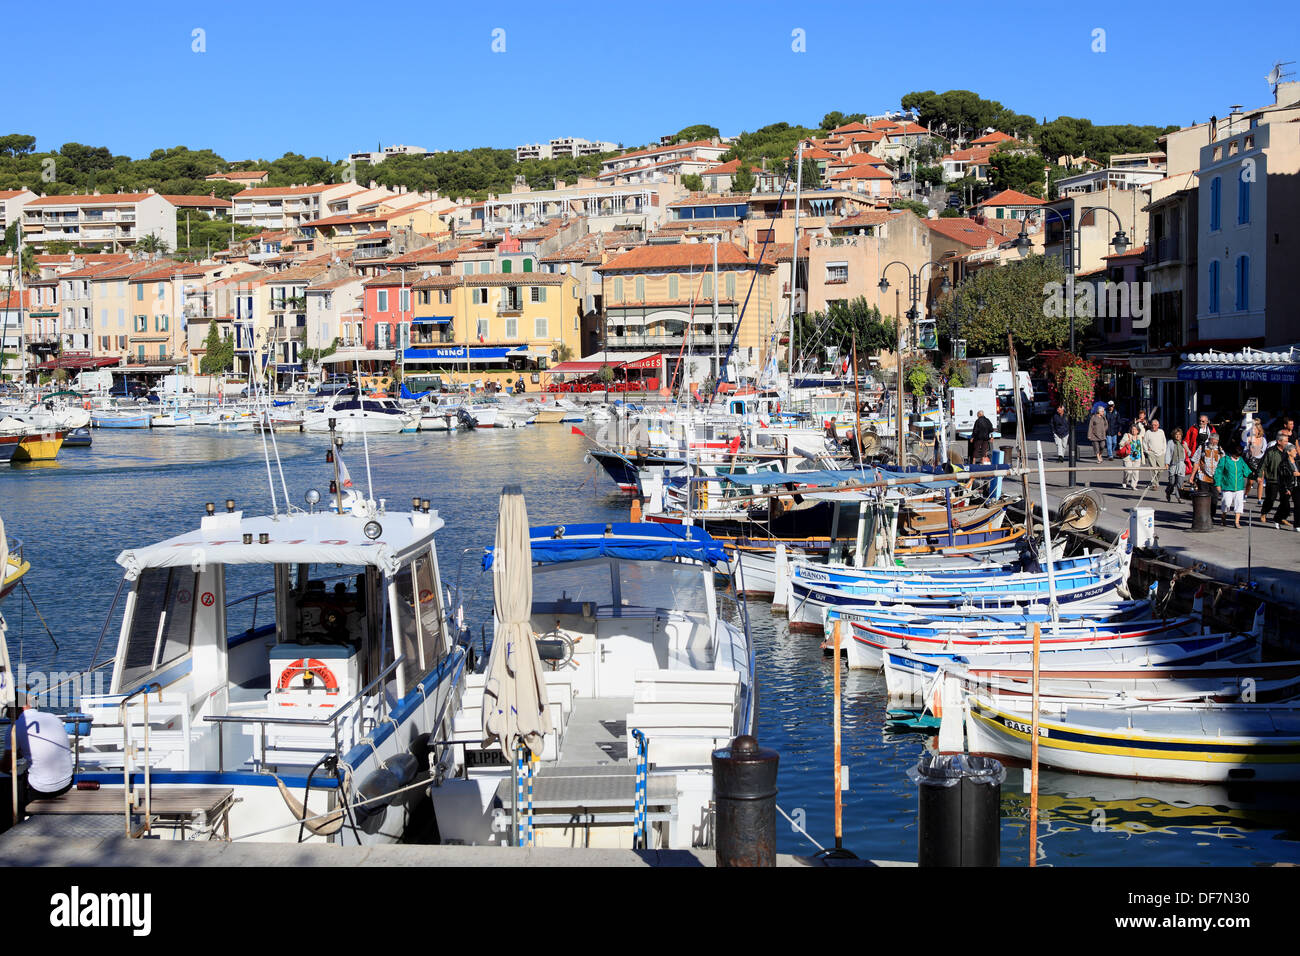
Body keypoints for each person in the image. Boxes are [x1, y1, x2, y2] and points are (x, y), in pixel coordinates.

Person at [8, 698, 75, 806]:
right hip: (67, 782)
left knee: (18, 779)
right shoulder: (52, 717)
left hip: (41, 790)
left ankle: (20, 813)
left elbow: (6, 764)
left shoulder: (15, 728)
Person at [1214, 443, 1250, 528]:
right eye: (1236, 455)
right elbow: (1218, 472)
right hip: (1227, 486)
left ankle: (1237, 522)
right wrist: (1218, 484)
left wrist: (1253, 475)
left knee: (1239, 504)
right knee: (1226, 503)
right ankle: (1223, 515)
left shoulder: (1241, 460)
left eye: (1238, 456)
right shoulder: (1225, 460)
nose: (1237, 457)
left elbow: (1247, 471)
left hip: (1239, 487)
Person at [1259, 433, 1290, 523]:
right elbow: (1263, 464)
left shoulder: (1288, 451)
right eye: (1285, 441)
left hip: (1285, 481)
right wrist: (1260, 475)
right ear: (1279, 442)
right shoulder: (1270, 451)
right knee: (1271, 499)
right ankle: (1264, 513)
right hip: (1273, 479)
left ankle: (1281, 517)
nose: (1287, 443)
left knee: (1285, 500)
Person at [1192, 433, 1224, 521]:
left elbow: (1224, 463)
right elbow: (1196, 462)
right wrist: (1192, 477)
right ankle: (1203, 516)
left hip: (1215, 479)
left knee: (1214, 499)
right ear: (1209, 439)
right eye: (1213, 440)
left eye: (1216, 441)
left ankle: (1211, 516)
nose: (1214, 443)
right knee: (1203, 498)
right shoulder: (1202, 447)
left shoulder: (1220, 449)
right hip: (1203, 477)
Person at [1274, 443, 1299, 530]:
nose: (1296, 452)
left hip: (1297, 486)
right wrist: (1286, 488)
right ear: (1288, 452)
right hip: (1287, 487)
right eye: (1294, 450)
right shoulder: (1283, 464)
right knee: (1284, 506)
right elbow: (1282, 478)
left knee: (1298, 505)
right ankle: (1277, 519)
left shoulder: (1297, 462)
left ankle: (1297, 525)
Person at [1141, 417, 1168, 490]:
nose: (1154, 426)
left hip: (1160, 453)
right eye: (1152, 425)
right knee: (1153, 469)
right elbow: (1144, 443)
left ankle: (1157, 481)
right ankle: (1155, 484)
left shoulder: (1161, 432)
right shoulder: (1148, 432)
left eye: (1155, 425)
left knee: (1160, 470)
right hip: (1151, 453)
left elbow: (1164, 442)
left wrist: (1164, 451)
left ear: (1158, 425)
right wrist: (1147, 451)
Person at [1244, 419, 1267, 499]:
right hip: (1251, 460)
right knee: (1250, 481)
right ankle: (1246, 494)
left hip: (1260, 461)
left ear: (1258, 431)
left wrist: (1258, 453)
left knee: (1260, 480)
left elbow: (1264, 450)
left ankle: (1259, 499)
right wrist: (1249, 450)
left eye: (1254, 430)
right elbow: (1245, 449)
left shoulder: (1263, 439)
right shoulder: (1249, 439)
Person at [1166, 427, 1189, 502]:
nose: (1177, 436)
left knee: (1180, 483)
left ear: (1181, 435)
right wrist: (1167, 463)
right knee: (1171, 482)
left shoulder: (1184, 443)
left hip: (1181, 465)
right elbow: (1168, 454)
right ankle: (1168, 492)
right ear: (1174, 435)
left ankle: (1179, 497)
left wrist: (1186, 448)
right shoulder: (1170, 442)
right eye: (1176, 434)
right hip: (1173, 464)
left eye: (1179, 434)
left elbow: (1190, 454)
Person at [1119, 424, 1143, 489]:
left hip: (1137, 456)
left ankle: (1133, 485)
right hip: (1128, 456)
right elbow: (1121, 443)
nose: (1133, 431)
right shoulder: (1127, 435)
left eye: (1135, 429)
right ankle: (1125, 481)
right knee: (1128, 471)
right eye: (1132, 429)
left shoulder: (1139, 437)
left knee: (1136, 472)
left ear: (1138, 431)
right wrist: (1126, 443)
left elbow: (1141, 447)